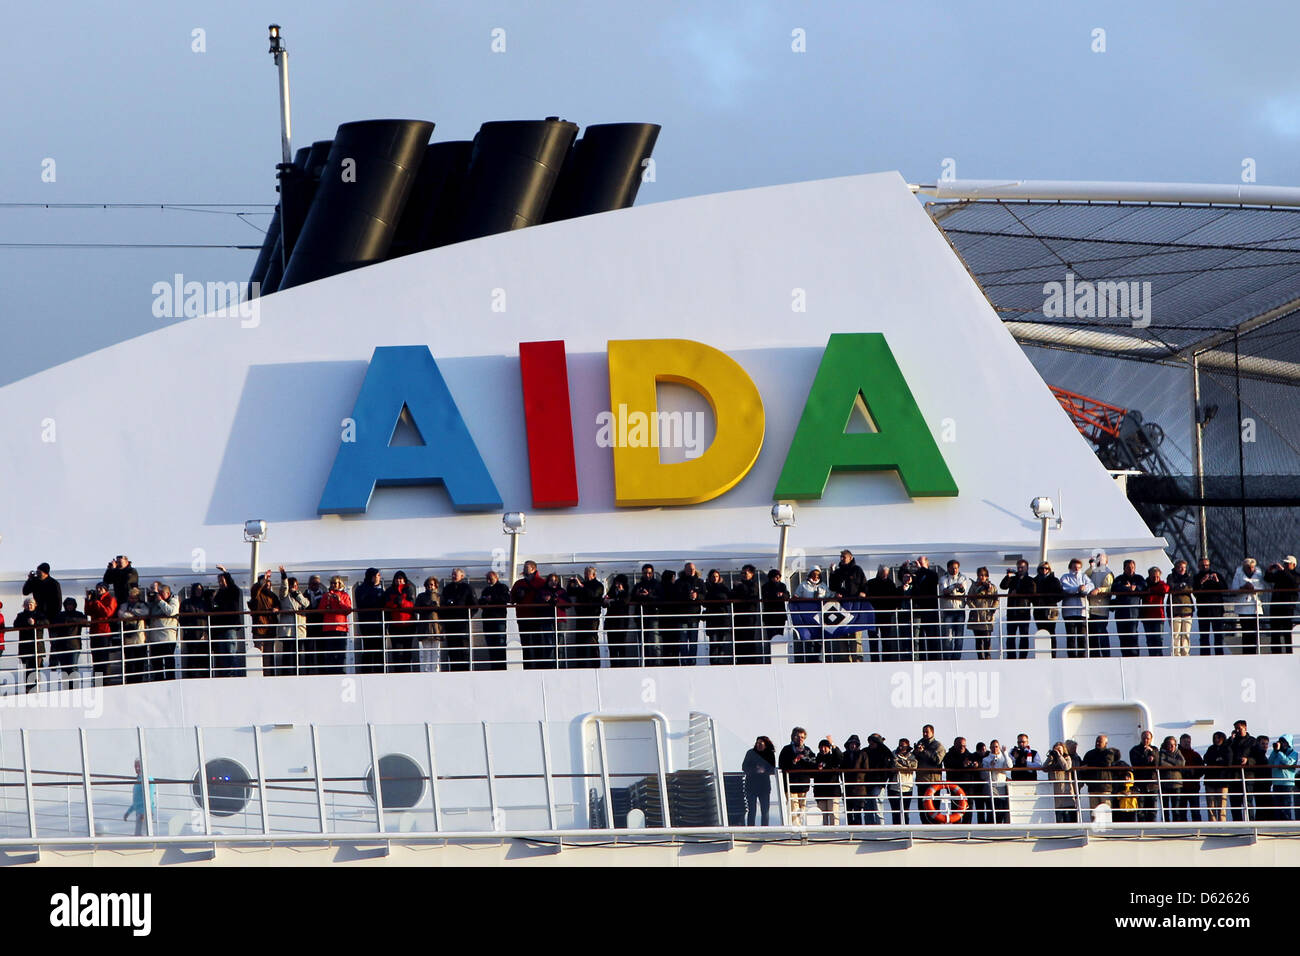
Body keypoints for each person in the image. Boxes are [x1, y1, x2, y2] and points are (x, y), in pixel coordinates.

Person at [437, 568, 477, 672]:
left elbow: (474, 605)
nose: (454, 576)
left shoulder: (467, 588)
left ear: (462, 576)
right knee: (452, 649)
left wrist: (466, 617)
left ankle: (465, 671)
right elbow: (442, 605)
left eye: (456, 574)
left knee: (463, 648)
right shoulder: (447, 589)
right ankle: (455, 671)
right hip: (450, 624)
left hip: (462, 625)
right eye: (453, 574)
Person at [567, 567, 605, 668]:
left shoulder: (598, 585)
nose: (585, 575)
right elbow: (571, 592)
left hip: (592, 617)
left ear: (593, 574)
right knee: (580, 641)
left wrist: (581, 586)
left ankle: (595, 665)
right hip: (581, 616)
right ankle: (581, 665)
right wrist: (570, 584)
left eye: (587, 573)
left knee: (592, 640)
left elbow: (593, 595)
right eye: (584, 573)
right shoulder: (583, 585)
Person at [778, 727, 816, 825]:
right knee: (793, 807)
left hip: (803, 785)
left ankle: (801, 825)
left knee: (802, 808)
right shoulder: (786, 750)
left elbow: (813, 762)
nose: (800, 739)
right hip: (790, 784)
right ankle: (796, 828)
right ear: (793, 737)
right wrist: (794, 761)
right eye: (798, 736)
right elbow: (782, 765)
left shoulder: (807, 750)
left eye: (802, 737)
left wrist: (806, 759)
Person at [22, 563, 62, 657]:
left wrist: (56, 615)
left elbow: (58, 601)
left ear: (45, 572)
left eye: (39, 572)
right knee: (38, 638)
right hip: (39, 614)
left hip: (52, 615)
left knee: (54, 640)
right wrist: (30, 579)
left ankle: (54, 661)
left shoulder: (54, 583)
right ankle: (39, 659)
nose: (38, 573)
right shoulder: (35, 582)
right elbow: (25, 591)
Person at [277, 568, 310, 676]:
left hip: (299, 630)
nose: (293, 587)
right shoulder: (284, 596)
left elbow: (306, 604)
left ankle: (299, 673)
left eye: (295, 585)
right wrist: (284, 576)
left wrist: (296, 594)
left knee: (299, 653)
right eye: (292, 585)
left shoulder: (300, 595)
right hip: (288, 631)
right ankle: (287, 674)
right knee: (288, 654)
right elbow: (283, 587)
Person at [1263, 555, 1299, 654]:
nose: (1285, 565)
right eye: (1285, 564)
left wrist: (1283, 571)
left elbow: (1293, 582)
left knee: (1287, 631)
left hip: (1287, 607)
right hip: (1276, 606)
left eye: (1288, 564)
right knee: (1275, 631)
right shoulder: (1280, 574)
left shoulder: (1296, 575)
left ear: (1294, 565)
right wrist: (1269, 570)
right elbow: (1268, 578)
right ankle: (1276, 652)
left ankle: (1289, 652)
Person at [1058, 558, 1094, 659]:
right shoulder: (1065, 577)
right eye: (1074, 567)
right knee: (1071, 636)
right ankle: (1072, 657)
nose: (1077, 569)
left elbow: (1091, 585)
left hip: (1082, 611)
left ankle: (1082, 656)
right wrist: (1078, 588)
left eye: (1078, 567)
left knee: (1082, 636)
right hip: (1069, 612)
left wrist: (1084, 589)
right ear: (1070, 567)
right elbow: (1065, 588)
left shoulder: (1084, 577)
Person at [1000, 561, 1036, 659]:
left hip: (1023, 612)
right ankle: (1011, 657)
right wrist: (1007, 576)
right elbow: (1003, 586)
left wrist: (1018, 592)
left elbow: (1032, 592)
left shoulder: (1030, 580)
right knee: (1010, 636)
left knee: (1024, 636)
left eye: (1022, 567)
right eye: (1018, 567)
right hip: (1012, 612)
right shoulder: (1013, 579)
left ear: (1027, 568)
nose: (1020, 569)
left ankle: (1022, 657)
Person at [792, 566, 829, 664]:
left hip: (819, 615)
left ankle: (817, 657)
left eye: (818, 575)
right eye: (814, 574)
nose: (816, 577)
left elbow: (829, 597)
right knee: (808, 636)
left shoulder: (823, 586)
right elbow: (795, 597)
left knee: (819, 637)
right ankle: (809, 658)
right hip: (807, 615)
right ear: (810, 575)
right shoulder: (803, 585)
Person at [248, 569, 282, 675]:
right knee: (258, 653)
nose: (267, 585)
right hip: (259, 628)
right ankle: (259, 674)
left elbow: (278, 606)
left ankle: (267, 675)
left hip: (269, 629)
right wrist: (264, 579)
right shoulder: (257, 594)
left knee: (268, 654)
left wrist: (276, 609)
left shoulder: (273, 596)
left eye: (268, 583)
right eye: (265, 583)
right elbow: (255, 589)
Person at [352, 568, 386, 674]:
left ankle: (379, 671)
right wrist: (376, 593)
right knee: (368, 649)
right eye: (377, 575)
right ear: (372, 577)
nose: (379, 578)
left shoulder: (379, 589)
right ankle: (367, 672)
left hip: (379, 624)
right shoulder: (362, 589)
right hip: (368, 624)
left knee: (380, 650)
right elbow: (364, 602)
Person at [383, 571, 418, 673]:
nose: (399, 581)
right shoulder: (390, 591)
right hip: (395, 625)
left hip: (408, 624)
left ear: (404, 579)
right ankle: (397, 671)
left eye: (401, 579)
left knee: (407, 649)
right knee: (397, 650)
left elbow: (412, 605)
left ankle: (406, 670)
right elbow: (386, 605)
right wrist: (395, 604)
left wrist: (402, 602)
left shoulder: (409, 589)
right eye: (397, 579)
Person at [1193, 558, 1229, 655]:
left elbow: (1225, 589)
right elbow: (1195, 592)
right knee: (1204, 635)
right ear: (1198, 566)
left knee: (1218, 635)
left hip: (1216, 609)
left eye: (1206, 565)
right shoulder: (1196, 577)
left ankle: (1219, 654)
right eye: (1202, 565)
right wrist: (1202, 582)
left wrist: (1217, 581)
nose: (1205, 567)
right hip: (1203, 610)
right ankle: (1205, 655)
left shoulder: (1217, 575)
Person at [86, 582, 120, 684]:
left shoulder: (111, 599)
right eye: (97, 588)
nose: (99, 590)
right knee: (96, 659)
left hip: (104, 632)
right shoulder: (96, 599)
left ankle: (105, 682)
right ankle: (98, 682)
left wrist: (97, 602)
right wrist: (88, 601)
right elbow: (88, 612)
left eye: (101, 588)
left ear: (106, 589)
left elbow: (107, 613)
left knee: (103, 659)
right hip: (94, 632)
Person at [316, 576, 352, 674]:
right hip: (329, 627)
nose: (333, 585)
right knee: (330, 652)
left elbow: (348, 610)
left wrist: (339, 600)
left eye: (335, 583)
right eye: (331, 583)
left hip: (341, 628)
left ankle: (340, 671)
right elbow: (320, 610)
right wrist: (326, 601)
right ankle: (330, 672)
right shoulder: (326, 595)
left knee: (340, 651)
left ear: (339, 584)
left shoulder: (344, 595)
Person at [49, 597, 87, 687]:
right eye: (67, 604)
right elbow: (53, 625)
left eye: (71, 604)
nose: (69, 606)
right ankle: (67, 687)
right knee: (65, 669)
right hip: (61, 646)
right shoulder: (60, 615)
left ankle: (74, 687)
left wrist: (70, 620)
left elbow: (86, 622)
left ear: (74, 606)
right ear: (65, 606)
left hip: (74, 646)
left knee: (73, 667)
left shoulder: (78, 614)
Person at [942, 737, 982, 824]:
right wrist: (962, 764)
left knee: (969, 806)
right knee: (956, 806)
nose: (962, 747)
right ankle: (956, 826)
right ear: (955, 745)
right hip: (955, 786)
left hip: (968, 786)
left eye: (964, 745)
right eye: (960, 745)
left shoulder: (971, 755)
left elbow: (980, 763)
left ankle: (967, 825)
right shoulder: (949, 756)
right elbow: (948, 764)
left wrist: (977, 765)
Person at [1112, 559, 1147, 657]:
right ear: (1124, 568)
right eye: (1128, 567)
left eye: (1132, 567)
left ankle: (1134, 656)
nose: (1130, 569)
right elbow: (1114, 587)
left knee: (1132, 635)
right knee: (1122, 636)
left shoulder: (1139, 578)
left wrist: (1135, 588)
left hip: (1133, 612)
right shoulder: (1119, 579)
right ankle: (1125, 656)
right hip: (1121, 612)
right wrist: (1127, 588)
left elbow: (1144, 586)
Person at [116, 586, 151, 684]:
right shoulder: (124, 605)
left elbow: (146, 612)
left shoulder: (142, 605)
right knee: (129, 663)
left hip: (140, 639)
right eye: (131, 597)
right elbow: (120, 614)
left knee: (140, 663)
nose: (132, 599)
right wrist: (136, 614)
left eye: (134, 597)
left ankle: (139, 682)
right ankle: (130, 682)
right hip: (128, 639)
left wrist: (131, 612)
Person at [937, 559, 971, 660]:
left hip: (959, 610)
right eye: (952, 568)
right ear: (948, 568)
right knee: (948, 637)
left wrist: (952, 590)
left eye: (956, 568)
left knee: (959, 637)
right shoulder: (943, 579)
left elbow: (962, 592)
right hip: (948, 610)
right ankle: (948, 658)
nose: (955, 570)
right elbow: (945, 591)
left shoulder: (963, 578)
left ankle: (956, 659)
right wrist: (953, 588)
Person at [1230, 558, 1265, 655]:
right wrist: (1243, 588)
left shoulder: (1258, 573)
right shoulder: (1238, 573)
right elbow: (1234, 588)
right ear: (1244, 567)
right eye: (1249, 568)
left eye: (1252, 567)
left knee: (1255, 631)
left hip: (1255, 607)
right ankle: (1246, 653)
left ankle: (1254, 652)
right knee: (1246, 631)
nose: (1251, 569)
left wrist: (1253, 588)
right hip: (1243, 607)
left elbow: (1262, 588)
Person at [865, 565, 900, 662]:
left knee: (886, 639)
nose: (885, 576)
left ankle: (886, 660)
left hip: (886, 615)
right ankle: (874, 660)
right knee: (873, 639)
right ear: (879, 573)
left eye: (886, 574)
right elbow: (866, 595)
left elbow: (895, 598)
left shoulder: (890, 584)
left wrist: (892, 610)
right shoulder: (870, 583)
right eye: (883, 574)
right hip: (873, 615)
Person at [145, 583, 180, 682]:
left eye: (162, 593)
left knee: (169, 661)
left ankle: (171, 680)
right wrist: (152, 600)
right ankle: (158, 681)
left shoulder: (173, 600)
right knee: (156, 662)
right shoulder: (154, 603)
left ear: (168, 593)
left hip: (168, 637)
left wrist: (160, 601)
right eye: (158, 593)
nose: (159, 595)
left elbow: (171, 611)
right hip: (155, 638)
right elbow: (149, 612)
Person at [14, 597, 48, 693]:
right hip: (25, 647)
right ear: (24, 606)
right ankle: (28, 690)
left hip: (38, 647)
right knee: (28, 670)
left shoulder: (40, 615)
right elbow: (16, 624)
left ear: (35, 605)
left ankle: (36, 689)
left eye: (31, 604)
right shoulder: (20, 616)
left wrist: (35, 622)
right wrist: (26, 622)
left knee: (37, 669)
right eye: (27, 604)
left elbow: (46, 622)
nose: (29, 606)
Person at [477, 571, 510, 670]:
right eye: (487, 578)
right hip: (488, 620)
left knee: (500, 643)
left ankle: (501, 667)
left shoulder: (502, 587)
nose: (488, 581)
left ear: (496, 577)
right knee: (491, 644)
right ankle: (494, 667)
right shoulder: (486, 589)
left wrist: (492, 599)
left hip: (498, 619)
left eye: (490, 578)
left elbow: (506, 598)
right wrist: (485, 600)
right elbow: (480, 601)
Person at [629, 564, 662, 664]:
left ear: (652, 573)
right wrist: (638, 595)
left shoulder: (657, 585)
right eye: (645, 573)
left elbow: (661, 598)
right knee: (644, 642)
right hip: (641, 617)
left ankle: (657, 663)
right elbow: (631, 598)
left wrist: (649, 595)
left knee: (655, 641)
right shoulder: (638, 586)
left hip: (653, 615)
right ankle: (646, 663)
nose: (647, 575)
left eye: (649, 573)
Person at [913, 724, 946, 822]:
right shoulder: (920, 743)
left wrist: (924, 752)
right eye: (923, 731)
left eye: (927, 732)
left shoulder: (938, 746)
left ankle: (935, 826)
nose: (924, 734)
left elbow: (937, 760)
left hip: (933, 781)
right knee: (922, 805)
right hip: (921, 780)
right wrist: (916, 752)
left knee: (933, 806)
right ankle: (924, 825)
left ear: (932, 732)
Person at [1226, 720, 1257, 822]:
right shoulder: (1231, 742)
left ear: (1245, 728)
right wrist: (1230, 740)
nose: (1237, 731)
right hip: (1234, 776)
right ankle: (1238, 825)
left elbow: (1258, 757)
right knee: (1235, 803)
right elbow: (1226, 753)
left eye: (1239, 728)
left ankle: (1251, 824)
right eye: (1236, 729)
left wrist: (1248, 761)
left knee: (1248, 802)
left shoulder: (1252, 741)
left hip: (1247, 776)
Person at [742, 736, 777, 826]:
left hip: (764, 786)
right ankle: (751, 829)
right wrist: (755, 770)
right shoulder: (750, 753)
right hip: (751, 786)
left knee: (765, 810)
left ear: (765, 744)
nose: (758, 745)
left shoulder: (769, 754)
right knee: (752, 810)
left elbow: (772, 768)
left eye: (761, 743)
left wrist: (764, 770)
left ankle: (765, 830)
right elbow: (744, 767)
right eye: (757, 743)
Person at [730, 565, 762, 665]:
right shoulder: (738, 585)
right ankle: (740, 660)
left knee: (748, 638)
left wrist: (740, 586)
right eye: (742, 573)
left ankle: (750, 661)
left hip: (749, 615)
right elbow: (732, 595)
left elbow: (750, 595)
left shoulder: (754, 585)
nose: (743, 575)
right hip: (738, 615)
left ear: (752, 574)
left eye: (745, 573)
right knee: (738, 638)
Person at [674, 563, 705, 666]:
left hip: (694, 616)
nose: (691, 571)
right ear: (685, 570)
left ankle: (692, 661)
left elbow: (704, 596)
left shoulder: (700, 582)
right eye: (689, 569)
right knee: (683, 641)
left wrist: (697, 596)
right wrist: (688, 596)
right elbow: (676, 596)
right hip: (682, 616)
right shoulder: (679, 582)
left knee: (693, 641)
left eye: (693, 569)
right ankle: (684, 662)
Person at [179, 582, 211, 679]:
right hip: (191, 634)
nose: (199, 591)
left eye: (200, 589)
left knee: (204, 656)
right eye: (197, 589)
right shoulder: (186, 603)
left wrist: (206, 632)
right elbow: (182, 619)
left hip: (203, 634)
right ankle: (192, 676)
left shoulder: (205, 603)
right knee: (192, 655)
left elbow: (208, 618)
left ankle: (204, 675)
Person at [911, 556, 941, 660]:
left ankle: (934, 658)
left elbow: (931, 582)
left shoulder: (932, 574)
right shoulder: (917, 574)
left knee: (931, 635)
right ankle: (922, 658)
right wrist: (904, 567)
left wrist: (921, 569)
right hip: (918, 609)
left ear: (927, 563)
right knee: (919, 636)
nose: (917, 564)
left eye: (920, 562)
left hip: (930, 608)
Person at [604, 573, 636, 667]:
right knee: (612, 646)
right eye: (616, 583)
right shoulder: (611, 592)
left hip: (621, 623)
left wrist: (612, 601)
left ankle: (622, 665)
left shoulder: (626, 593)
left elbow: (623, 602)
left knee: (621, 645)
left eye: (620, 583)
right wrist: (607, 600)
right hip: (611, 623)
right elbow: (604, 602)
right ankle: (613, 665)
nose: (618, 585)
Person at [1085, 553, 1114, 657]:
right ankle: (1094, 655)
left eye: (1101, 560)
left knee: (1101, 632)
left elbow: (1109, 588)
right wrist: (1091, 566)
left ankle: (1106, 655)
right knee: (1092, 634)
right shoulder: (1093, 571)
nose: (1099, 562)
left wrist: (1099, 590)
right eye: (1098, 560)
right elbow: (1085, 576)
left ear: (1106, 562)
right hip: (1090, 609)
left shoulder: (1107, 573)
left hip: (1101, 608)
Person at [1082, 734, 1121, 812]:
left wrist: (1090, 764)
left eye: (1100, 742)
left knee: (1106, 812)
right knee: (1094, 813)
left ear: (1106, 743)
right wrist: (1087, 782)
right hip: (1092, 788)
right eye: (1097, 741)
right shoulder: (1089, 754)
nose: (1097, 743)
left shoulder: (1109, 753)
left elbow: (1106, 763)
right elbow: (1083, 767)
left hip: (1105, 788)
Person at [700, 570, 731, 666]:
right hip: (712, 619)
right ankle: (713, 662)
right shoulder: (706, 588)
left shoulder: (723, 587)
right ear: (709, 577)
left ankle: (720, 661)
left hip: (722, 618)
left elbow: (728, 598)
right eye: (713, 576)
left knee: (721, 642)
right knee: (713, 642)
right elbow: (704, 600)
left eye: (716, 576)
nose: (715, 578)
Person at [966, 568, 999, 661]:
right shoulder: (974, 587)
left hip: (987, 616)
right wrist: (975, 608)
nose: (982, 577)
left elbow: (996, 599)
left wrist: (992, 610)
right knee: (978, 640)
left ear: (987, 576)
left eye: (984, 575)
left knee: (987, 639)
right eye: (980, 575)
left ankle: (988, 657)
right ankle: (980, 658)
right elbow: (969, 599)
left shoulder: (992, 587)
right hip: (976, 617)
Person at [760, 569, 791, 663]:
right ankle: (771, 657)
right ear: (771, 577)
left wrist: (782, 595)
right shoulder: (765, 586)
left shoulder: (782, 585)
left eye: (779, 576)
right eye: (775, 576)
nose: (778, 578)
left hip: (780, 615)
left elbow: (787, 595)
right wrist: (776, 595)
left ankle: (779, 656)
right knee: (771, 636)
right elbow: (765, 596)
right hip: (769, 616)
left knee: (779, 635)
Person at [1167, 560, 1195, 657]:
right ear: (1175, 568)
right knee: (1176, 634)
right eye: (1180, 567)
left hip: (1187, 609)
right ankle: (1176, 653)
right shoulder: (1171, 577)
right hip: (1175, 610)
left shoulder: (1189, 577)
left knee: (1186, 633)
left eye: (1184, 567)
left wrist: (1179, 587)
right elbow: (1171, 586)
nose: (1182, 569)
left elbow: (1190, 588)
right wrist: (1182, 586)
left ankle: (1185, 653)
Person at [1129, 731, 1159, 822]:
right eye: (1144, 738)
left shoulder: (1155, 749)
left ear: (1151, 739)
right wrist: (1146, 759)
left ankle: (1152, 828)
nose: (1146, 740)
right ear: (1141, 738)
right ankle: (1142, 827)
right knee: (1140, 806)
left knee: (1152, 806)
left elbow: (1158, 763)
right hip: (1140, 781)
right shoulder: (1135, 750)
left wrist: (1152, 753)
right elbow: (1135, 764)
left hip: (1152, 782)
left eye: (1148, 738)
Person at [863, 733, 893, 825]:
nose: (872, 743)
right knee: (867, 808)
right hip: (866, 783)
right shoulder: (865, 751)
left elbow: (891, 756)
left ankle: (880, 827)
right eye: (871, 741)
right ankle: (869, 829)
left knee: (877, 806)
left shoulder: (883, 751)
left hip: (878, 783)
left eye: (874, 741)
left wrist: (881, 744)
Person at [1032, 561, 1062, 652]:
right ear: (1038, 569)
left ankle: (1052, 654)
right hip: (1039, 609)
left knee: (1051, 631)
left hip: (1052, 609)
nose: (1044, 570)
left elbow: (1060, 594)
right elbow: (1031, 594)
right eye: (1042, 568)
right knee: (1041, 632)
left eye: (1046, 568)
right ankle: (1043, 653)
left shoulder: (1054, 580)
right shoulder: (1035, 581)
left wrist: (1051, 599)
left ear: (1049, 569)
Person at [1043, 742, 1076, 823]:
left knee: (1069, 818)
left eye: (1059, 749)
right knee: (1059, 818)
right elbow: (1044, 768)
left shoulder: (1067, 758)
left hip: (1066, 792)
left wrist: (1059, 756)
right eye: (1056, 750)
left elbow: (1066, 767)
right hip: (1056, 794)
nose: (1057, 751)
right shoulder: (1052, 760)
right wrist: (1050, 757)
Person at [1203, 731, 1233, 822]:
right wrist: (1217, 759)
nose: (1216, 740)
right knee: (1210, 805)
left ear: (1223, 738)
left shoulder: (1227, 749)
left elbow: (1228, 762)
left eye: (1218, 738)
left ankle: (1222, 824)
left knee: (1222, 805)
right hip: (1210, 780)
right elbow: (1206, 759)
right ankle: (1212, 823)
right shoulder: (1211, 748)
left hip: (1223, 780)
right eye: (1215, 738)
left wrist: (1216, 760)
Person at [1139, 567, 1169, 657]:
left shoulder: (1161, 584)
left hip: (1158, 616)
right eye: (1153, 577)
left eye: (1157, 577)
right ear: (1149, 576)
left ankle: (1159, 656)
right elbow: (1140, 590)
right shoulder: (1144, 584)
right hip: (1147, 616)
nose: (1155, 579)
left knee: (1159, 639)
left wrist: (1151, 590)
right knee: (1150, 639)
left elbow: (1165, 589)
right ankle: (1152, 656)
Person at [812, 737, 843, 825]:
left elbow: (840, 756)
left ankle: (835, 833)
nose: (823, 749)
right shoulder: (816, 759)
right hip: (820, 791)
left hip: (833, 791)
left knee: (833, 813)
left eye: (825, 747)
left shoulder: (833, 758)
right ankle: (824, 834)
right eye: (821, 747)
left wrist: (833, 744)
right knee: (822, 815)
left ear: (829, 748)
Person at [1267, 733, 1298, 822]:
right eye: (1281, 742)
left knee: (1285, 805)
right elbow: (1270, 763)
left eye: (1284, 742)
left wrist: (1279, 753)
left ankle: (1286, 824)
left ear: (1288, 743)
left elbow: (1288, 762)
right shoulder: (1276, 753)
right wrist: (1274, 751)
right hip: (1276, 783)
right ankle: (1278, 824)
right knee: (1277, 806)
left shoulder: (1294, 753)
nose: (1282, 744)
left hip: (1287, 783)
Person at [301, 574, 328, 675]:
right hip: (309, 625)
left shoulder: (324, 594)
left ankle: (322, 670)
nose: (315, 585)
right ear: (309, 584)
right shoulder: (305, 595)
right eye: (313, 583)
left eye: (317, 583)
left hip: (320, 624)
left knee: (321, 648)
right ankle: (309, 670)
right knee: (309, 648)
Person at [841, 735, 871, 825]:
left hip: (859, 788)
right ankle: (850, 831)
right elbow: (841, 768)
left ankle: (858, 830)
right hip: (847, 787)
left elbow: (866, 769)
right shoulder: (844, 755)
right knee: (849, 811)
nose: (853, 746)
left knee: (858, 811)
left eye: (855, 744)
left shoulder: (863, 754)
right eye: (851, 743)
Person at [414, 576, 442, 672]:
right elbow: (416, 609)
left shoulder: (439, 597)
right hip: (425, 626)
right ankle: (426, 670)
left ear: (435, 586)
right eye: (429, 584)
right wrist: (427, 606)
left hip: (436, 626)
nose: (430, 586)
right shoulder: (421, 596)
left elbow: (442, 611)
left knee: (436, 651)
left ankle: (435, 670)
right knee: (426, 651)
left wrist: (436, 606)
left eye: (432, 584)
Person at [888, 738, 918, 827]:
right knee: (896, 811)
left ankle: (906, 829)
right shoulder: (893, 754)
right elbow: (895, 765)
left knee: (905, 811)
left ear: (907, 746)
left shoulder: (912, 756)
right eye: (900, 745)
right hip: (894, 787)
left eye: (903, 745)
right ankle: (897, 831)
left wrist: (903, 765)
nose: (901, 747)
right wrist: (907, 767)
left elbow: (915, 766)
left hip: (907, 787)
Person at [1156, 736, 1185, 822]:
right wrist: (1175, 766)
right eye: (1169, 745)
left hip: (1176, 784)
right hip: (1164, 784)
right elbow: (1161, 763)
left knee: (1176, 808)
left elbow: (1182, 763)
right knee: (1165, 808)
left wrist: (1168, 759)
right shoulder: (1161, 753)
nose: (1171, 747)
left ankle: (1176, 826)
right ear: (1165, 745)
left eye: (1173, 745)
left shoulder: (1178, 752)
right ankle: (1166, 825)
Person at [982, 740, 1013, 824]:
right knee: (992, 807)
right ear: (990, 748)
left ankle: (999, 825)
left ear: (999, 747)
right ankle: (991, 826)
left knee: (1002, 808)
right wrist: (990, 767)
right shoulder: (986, 759)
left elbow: (1010, 766)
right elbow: (983, 775)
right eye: (992, 747)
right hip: (991, 786)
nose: (994, 749)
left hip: (1002, 785)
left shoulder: (1004, 758)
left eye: (996, 746)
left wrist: (1005, 753)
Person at [1176, 733, 1204, 823]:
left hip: (1193, 786)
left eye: (1188, 741)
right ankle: (1182, 830)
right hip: (1180, 787)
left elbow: (1201, 769)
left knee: (1195, 811)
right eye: (1184, 742)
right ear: (1180, 742)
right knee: (1181, 811)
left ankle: (1198, 830)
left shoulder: (1195, 755)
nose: (1187, 744)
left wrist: (1194, 772)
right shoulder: (1176, 754)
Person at [124, 758, 156, 836]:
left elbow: (150, 796)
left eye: (139, 766)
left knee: (141, 835)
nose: (137, 768)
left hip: (144, 813)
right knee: (139, 835)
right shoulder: (138, 780)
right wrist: (128, 813)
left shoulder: (148, 779)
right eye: (135, 766)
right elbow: (136, 801)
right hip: (139, 813)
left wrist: (145, 812)